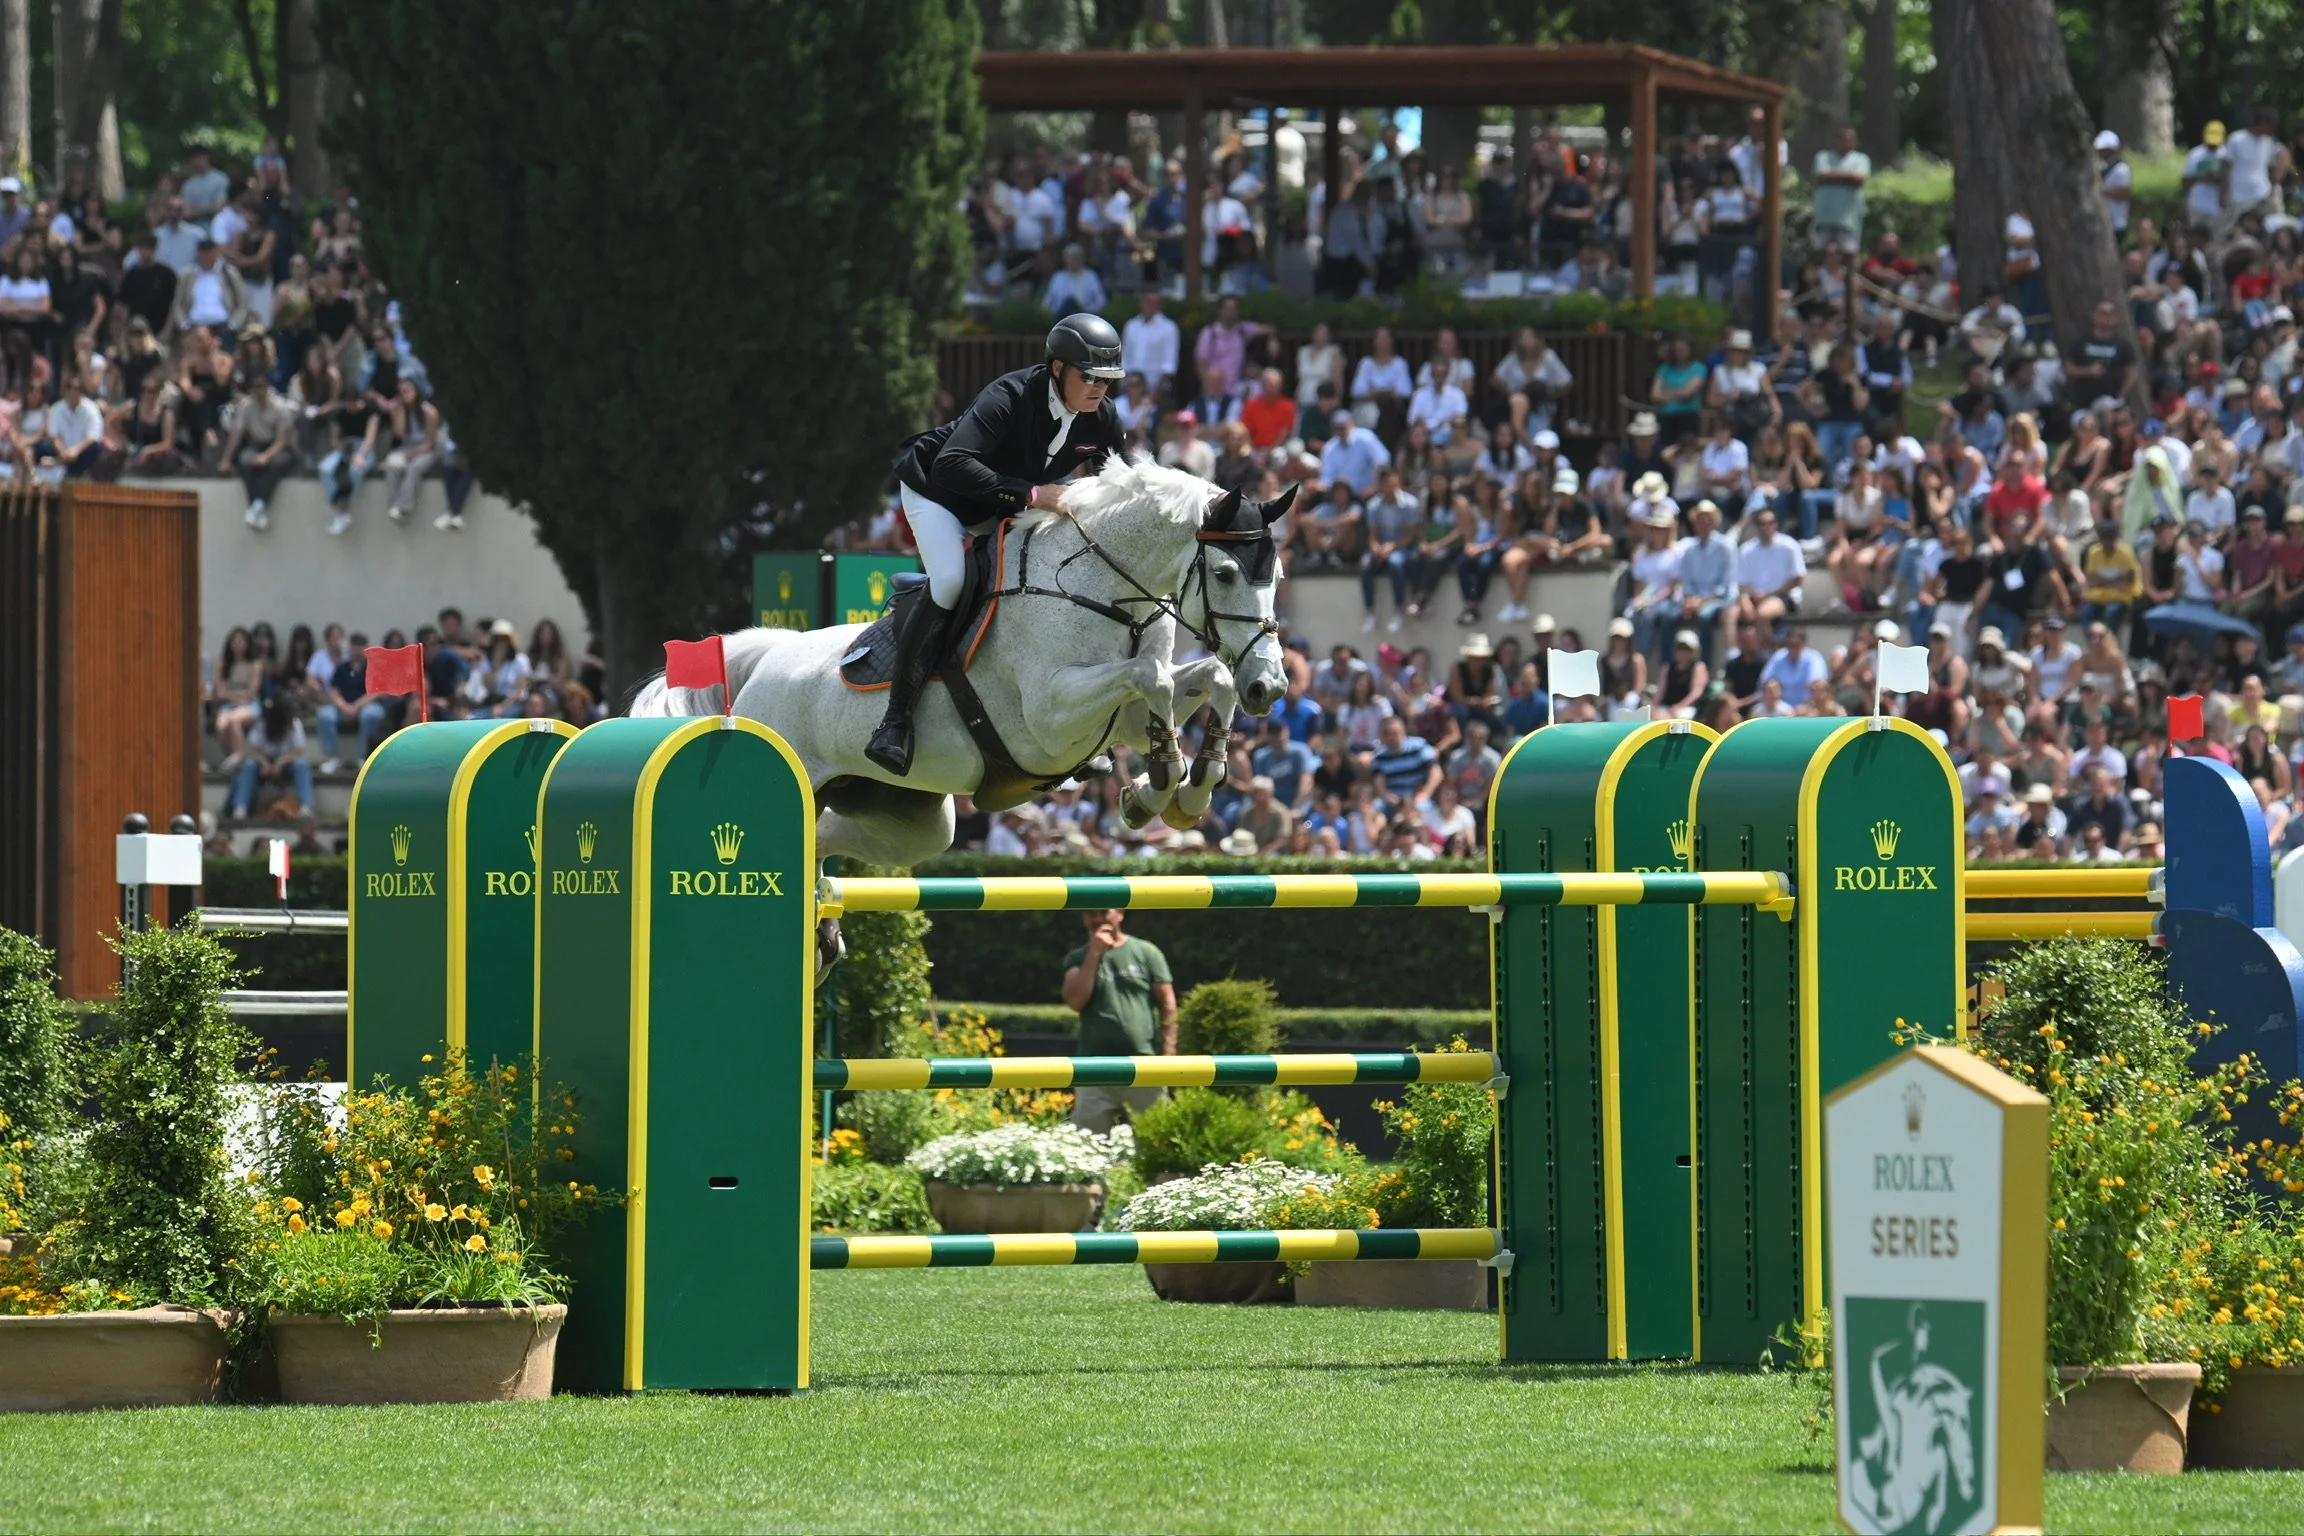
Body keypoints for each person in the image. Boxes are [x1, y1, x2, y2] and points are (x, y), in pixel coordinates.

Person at [879, 313, 1125, 775]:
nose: (1099, 388)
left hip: (1000, 502)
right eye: (1089, 377)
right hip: (940, 494)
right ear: (1057, 369)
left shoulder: (1103, 418)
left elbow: (1124, 482)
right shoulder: (1009, 395)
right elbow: (952, 464)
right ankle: (894, 721)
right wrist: (1033, 495)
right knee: (950, 583)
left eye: (1107, 379)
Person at [1061, 907, 1175, 1132]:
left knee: (1157, 1138)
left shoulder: (1146, 952)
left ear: (1120, 914)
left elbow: (1168, 1005)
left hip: (1144, 1064)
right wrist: (1094, 953)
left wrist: (1168, 1055)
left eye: (1104, 912)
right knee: (1088, 1142)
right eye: (1090, 913)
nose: (1097, 919)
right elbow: (1075, 1001)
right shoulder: (1077, 958)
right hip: (1093, 1067)